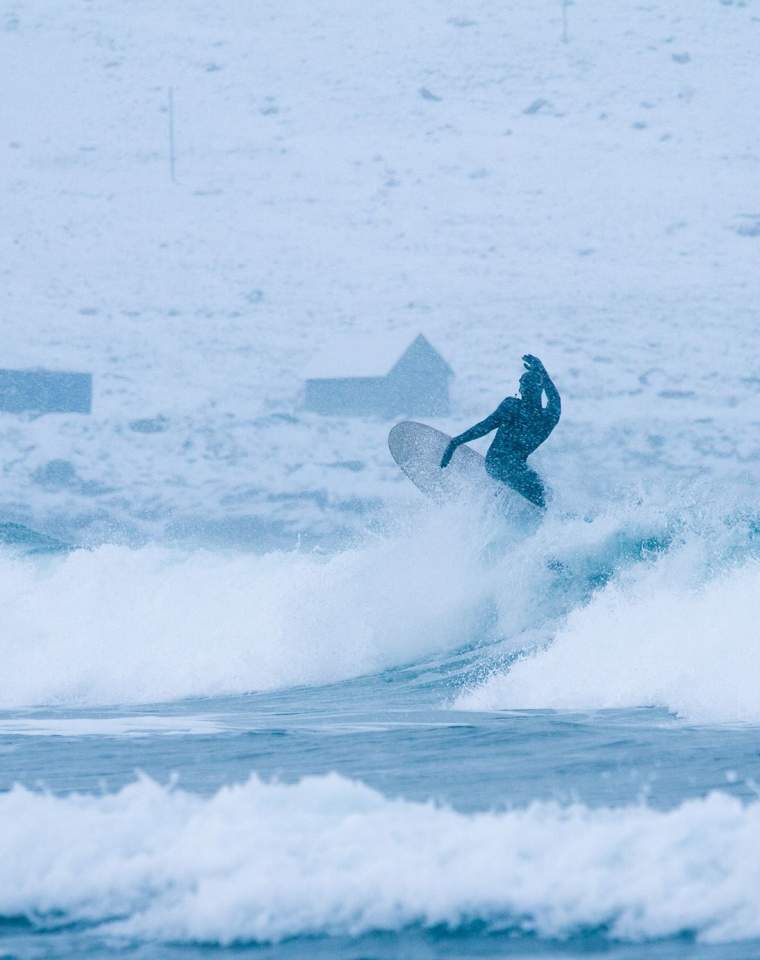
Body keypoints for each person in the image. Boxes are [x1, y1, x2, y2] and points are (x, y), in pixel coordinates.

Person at [440, 355, 561, 508]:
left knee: (544, 493)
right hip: (506, 466)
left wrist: (455, 442)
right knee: (545, 496)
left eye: (523, 385)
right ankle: (516, 500)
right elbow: (555, 397)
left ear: (524, 389)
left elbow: (484, 427)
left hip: (498, 464)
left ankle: (505, 498)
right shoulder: (549, 417)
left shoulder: (513, 407)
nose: (521, 389)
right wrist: (542, 371)